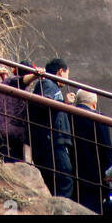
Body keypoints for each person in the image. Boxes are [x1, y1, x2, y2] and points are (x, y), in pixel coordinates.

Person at [0, 53, 43, 163]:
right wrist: (35, 75)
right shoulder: (14, 83)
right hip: (6, 135)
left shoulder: (5, 84)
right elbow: (22, 81)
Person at [29, 58, 74, 198]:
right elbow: (44, 104)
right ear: (60, 71)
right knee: (64, 179)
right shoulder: (47, 83)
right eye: (67, 74)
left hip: (48, 142)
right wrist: (63, 102)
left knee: (56, 182)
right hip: (52, 142)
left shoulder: (47, 84)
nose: (68, 80)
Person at [72, 88, 112, 214]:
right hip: (94, 177)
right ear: (94, 105)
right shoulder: (99, 120)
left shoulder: (68, 114)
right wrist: (110, 170)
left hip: (73, 174)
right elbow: (106, 147)